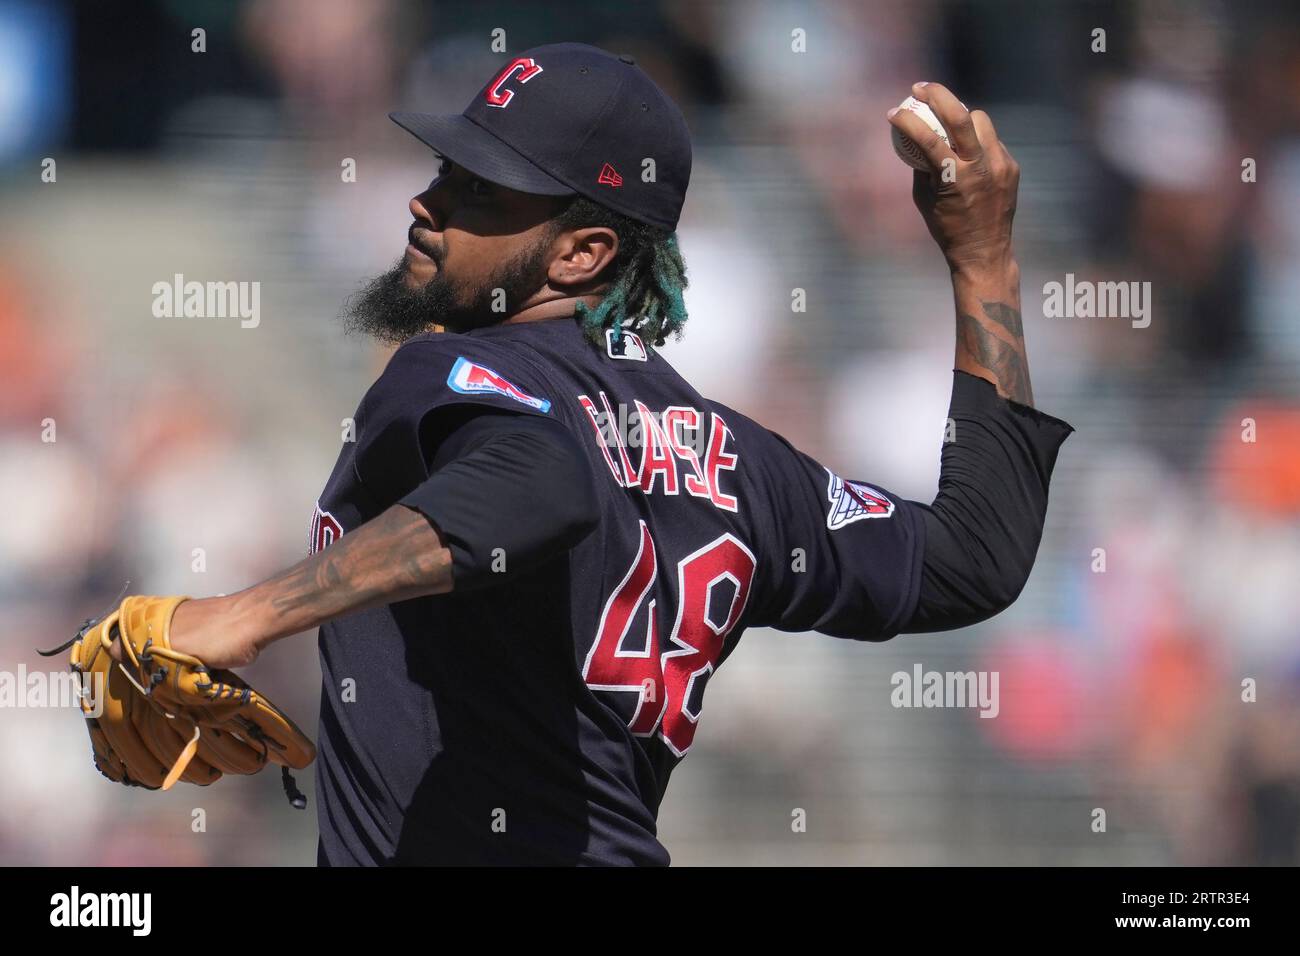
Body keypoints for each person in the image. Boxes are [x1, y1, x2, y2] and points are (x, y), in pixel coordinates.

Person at [156, 43, 1072, 865]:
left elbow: (543, 484)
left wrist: (239, 615)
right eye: (447, 165)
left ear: (581, 252)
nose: (427, 202)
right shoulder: (740, 458)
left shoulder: (453, 366)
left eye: (480, 189)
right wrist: (984, 258)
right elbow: (972, 558)